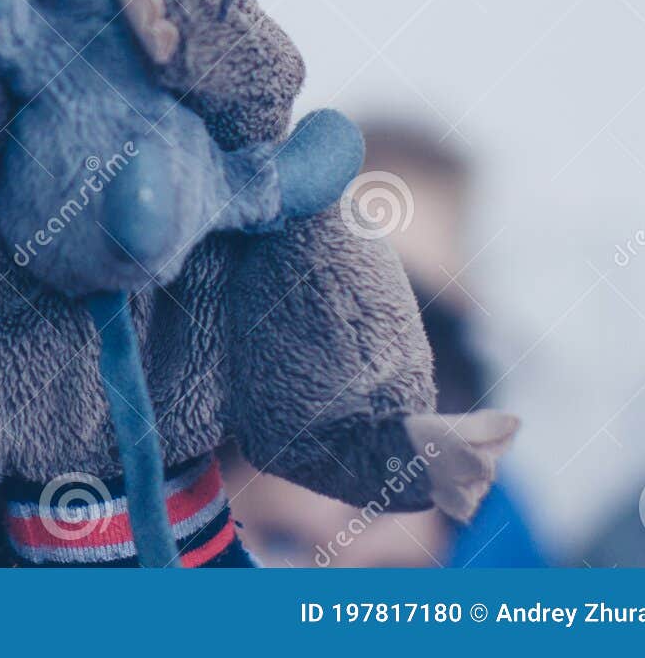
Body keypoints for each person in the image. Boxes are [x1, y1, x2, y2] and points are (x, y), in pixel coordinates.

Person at [224, 118, 547, 567]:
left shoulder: (494, 513)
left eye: (421, 295)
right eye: (354, 276)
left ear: (465, 305)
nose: (386, 314)